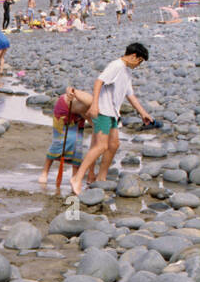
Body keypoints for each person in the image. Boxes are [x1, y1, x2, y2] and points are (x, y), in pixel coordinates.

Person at [70, 43, 154, 195]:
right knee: (100, 146)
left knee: (114, 144)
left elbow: (130, 95)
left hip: (113, 113)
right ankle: (77, 178)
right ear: (133, 56)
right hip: (103, 111)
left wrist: (143, 113)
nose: (139, 65)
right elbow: (98, 81)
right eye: (140, 61)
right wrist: (95, 105)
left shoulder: (126, 72)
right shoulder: (116, 65)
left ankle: (100, 177)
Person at [39, 86, 93, 186]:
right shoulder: (89, 102)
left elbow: (90, 120)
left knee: (77, 145)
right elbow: (70, 88)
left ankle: (75, 175)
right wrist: (69, 91)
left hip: (78, 115)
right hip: (64, 109)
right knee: (60, 142)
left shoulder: (97, 111)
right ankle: (45, 172)